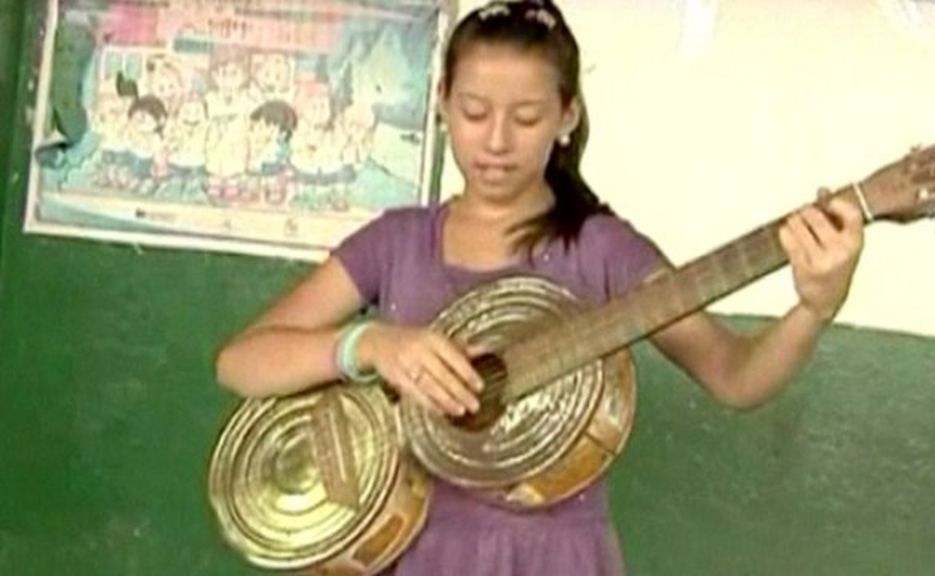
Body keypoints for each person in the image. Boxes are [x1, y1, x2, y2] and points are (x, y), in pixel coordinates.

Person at [215, 0, 864, 574]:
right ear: (441, 103)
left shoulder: (602, 250)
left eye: (526, 118)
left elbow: (735, 376)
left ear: (566, 115)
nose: (496, 141)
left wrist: (814, 306)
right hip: (411, 557)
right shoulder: (396, 242)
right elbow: (240, 363)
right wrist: (370, 345)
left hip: (552, 559)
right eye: (474, 112)